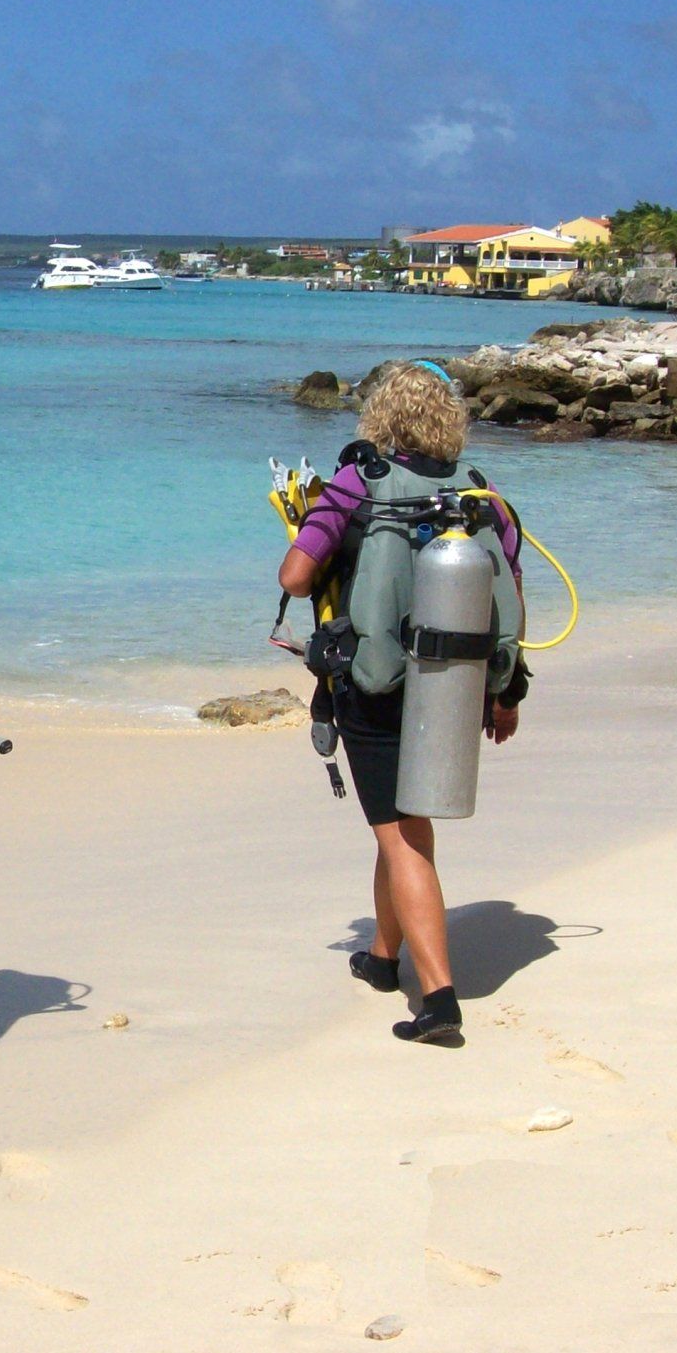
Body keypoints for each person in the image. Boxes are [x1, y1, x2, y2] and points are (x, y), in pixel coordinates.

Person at [277, 361, 528, 1043]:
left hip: (375, 685)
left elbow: (295, 577)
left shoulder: (362, 482)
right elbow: (511, 597)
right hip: (455, 684)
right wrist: (506, 694)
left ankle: (439, 998)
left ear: (381, 417)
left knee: (403, 833)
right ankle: (384, 960)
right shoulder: (482, 493)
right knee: (401, 825)